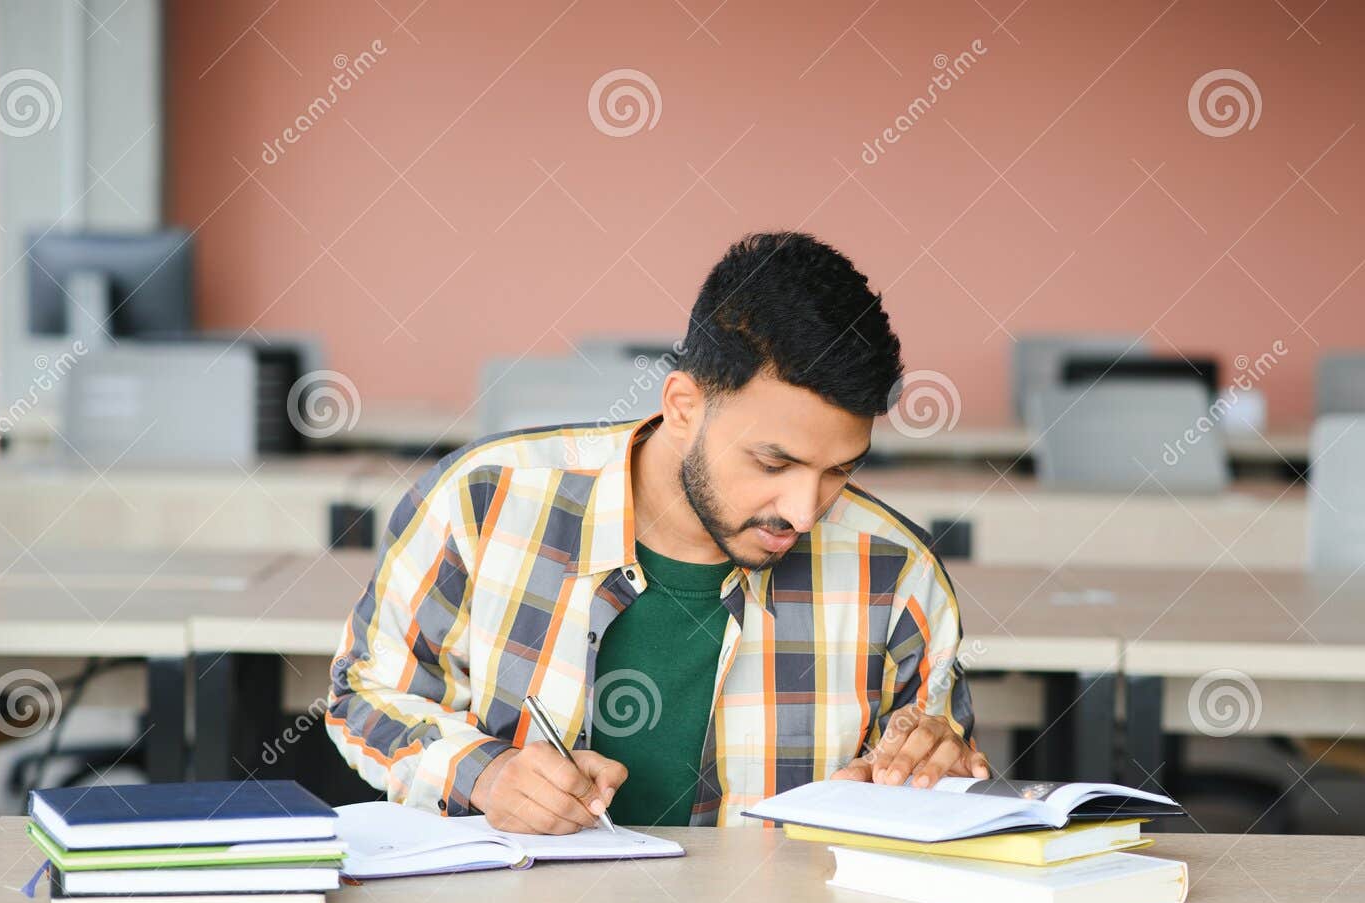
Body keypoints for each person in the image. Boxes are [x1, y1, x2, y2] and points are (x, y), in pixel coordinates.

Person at [325, 232, 985, 832]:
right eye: (773, 462)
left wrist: (929, 778)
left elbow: (933, 768)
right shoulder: (482, 498)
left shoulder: (899, 571)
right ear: (681, 406)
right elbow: (363, 695)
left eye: (839, 470)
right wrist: (486, 774)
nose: (806, 511)